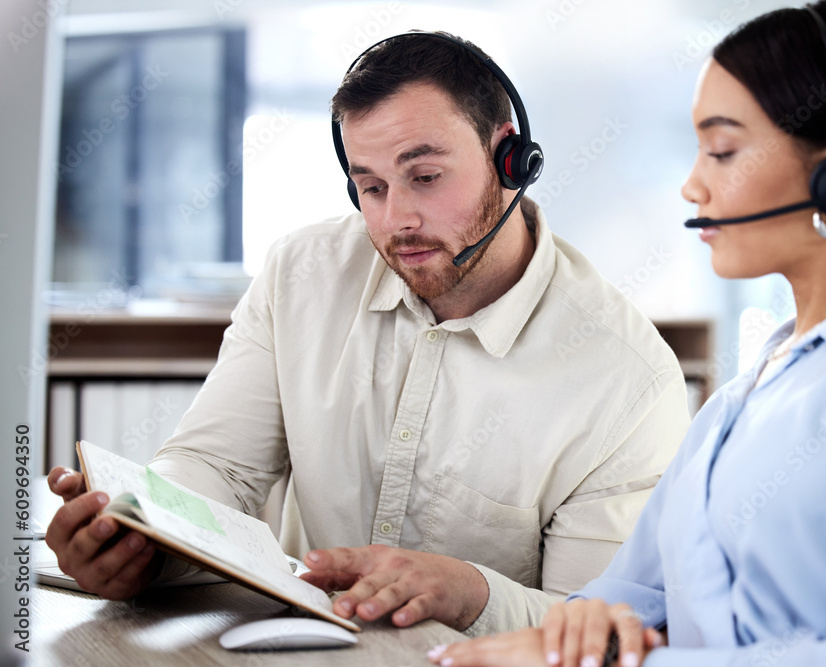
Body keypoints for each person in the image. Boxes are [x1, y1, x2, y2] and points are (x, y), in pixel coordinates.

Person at [44, 31, 692, 636]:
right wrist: (145, 542)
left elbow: (603, 628)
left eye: (426, 177)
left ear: (512, 157)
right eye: (371, 186)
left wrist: (473, 592)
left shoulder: (626, 381)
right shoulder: (302, 273)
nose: (396, 219)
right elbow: (219, 468)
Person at [430, 1, 826, 664]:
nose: (692, 186)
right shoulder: (738, 401)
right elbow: (624, 598)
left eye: (723, 150)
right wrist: (554, 639)